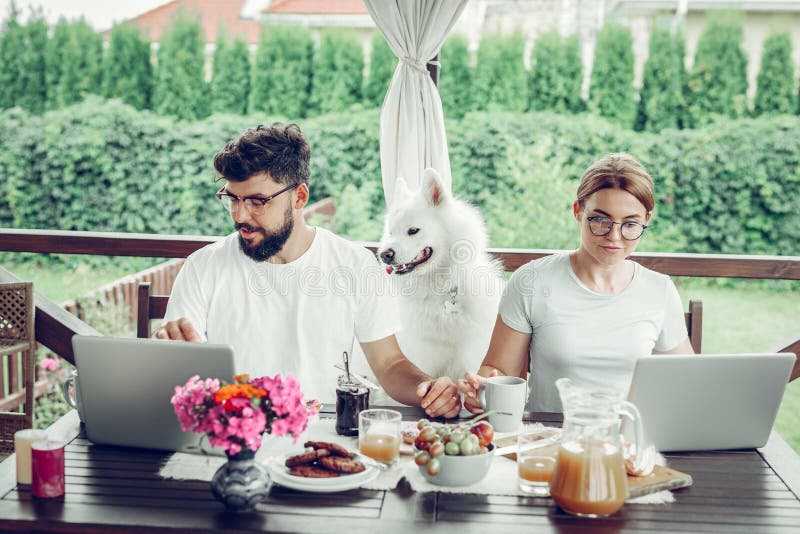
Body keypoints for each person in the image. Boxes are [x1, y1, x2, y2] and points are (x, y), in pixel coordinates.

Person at [155, 122, 461, 418]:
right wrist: (169, 359)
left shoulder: (355, 265)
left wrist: (429, 389)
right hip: (233, 440)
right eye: (232, 199)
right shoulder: (202, 268)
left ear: (299, 196)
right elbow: (180, 371)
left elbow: (390, 365)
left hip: (322, 441)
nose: (239, 215)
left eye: (257, 201)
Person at [459, 153, 694, 413]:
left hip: (627, 443)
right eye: (600, 220)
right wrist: (483, 388)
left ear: (646, 219)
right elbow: (500, 370)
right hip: (548, 441)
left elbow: (687, 383)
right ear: (578, 212)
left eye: (630, 224)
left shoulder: (659, 290)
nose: (614, 236)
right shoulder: (531, 281)